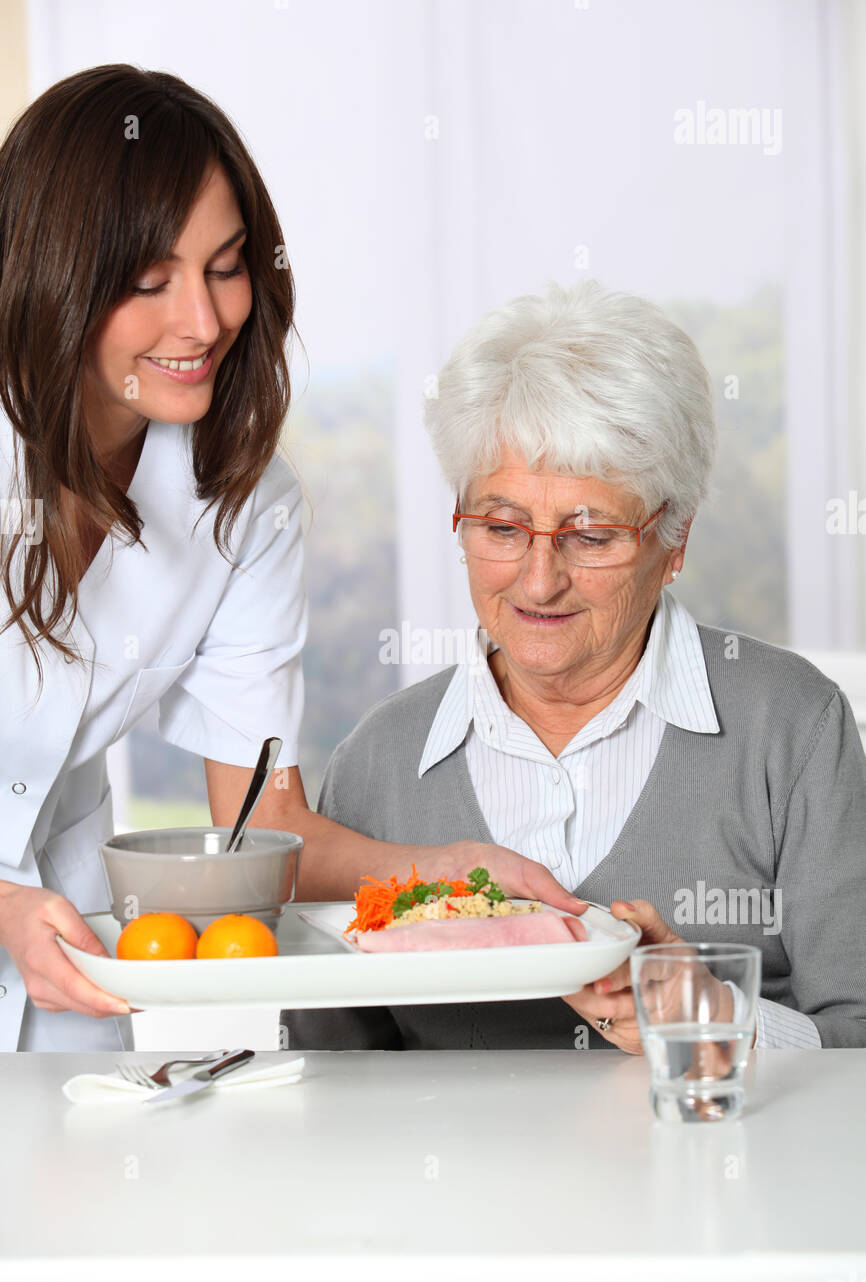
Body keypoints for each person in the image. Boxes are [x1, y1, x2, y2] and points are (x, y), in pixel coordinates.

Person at [0, 67, 585, 1052]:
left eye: (225, 267)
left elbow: (263, 824)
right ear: (47, 273)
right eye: (148, 281)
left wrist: (446, 874)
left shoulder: (245, 504)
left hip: (63, 944)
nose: (201, 321)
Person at [281, 279, 866, 1052]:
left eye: (591, 537)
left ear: (676, 538)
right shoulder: (378, 764)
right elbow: (329, 1078)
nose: (538, 579)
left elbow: (856, 1040)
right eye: (502, 525)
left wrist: (721, 1022)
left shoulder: (793, 729)